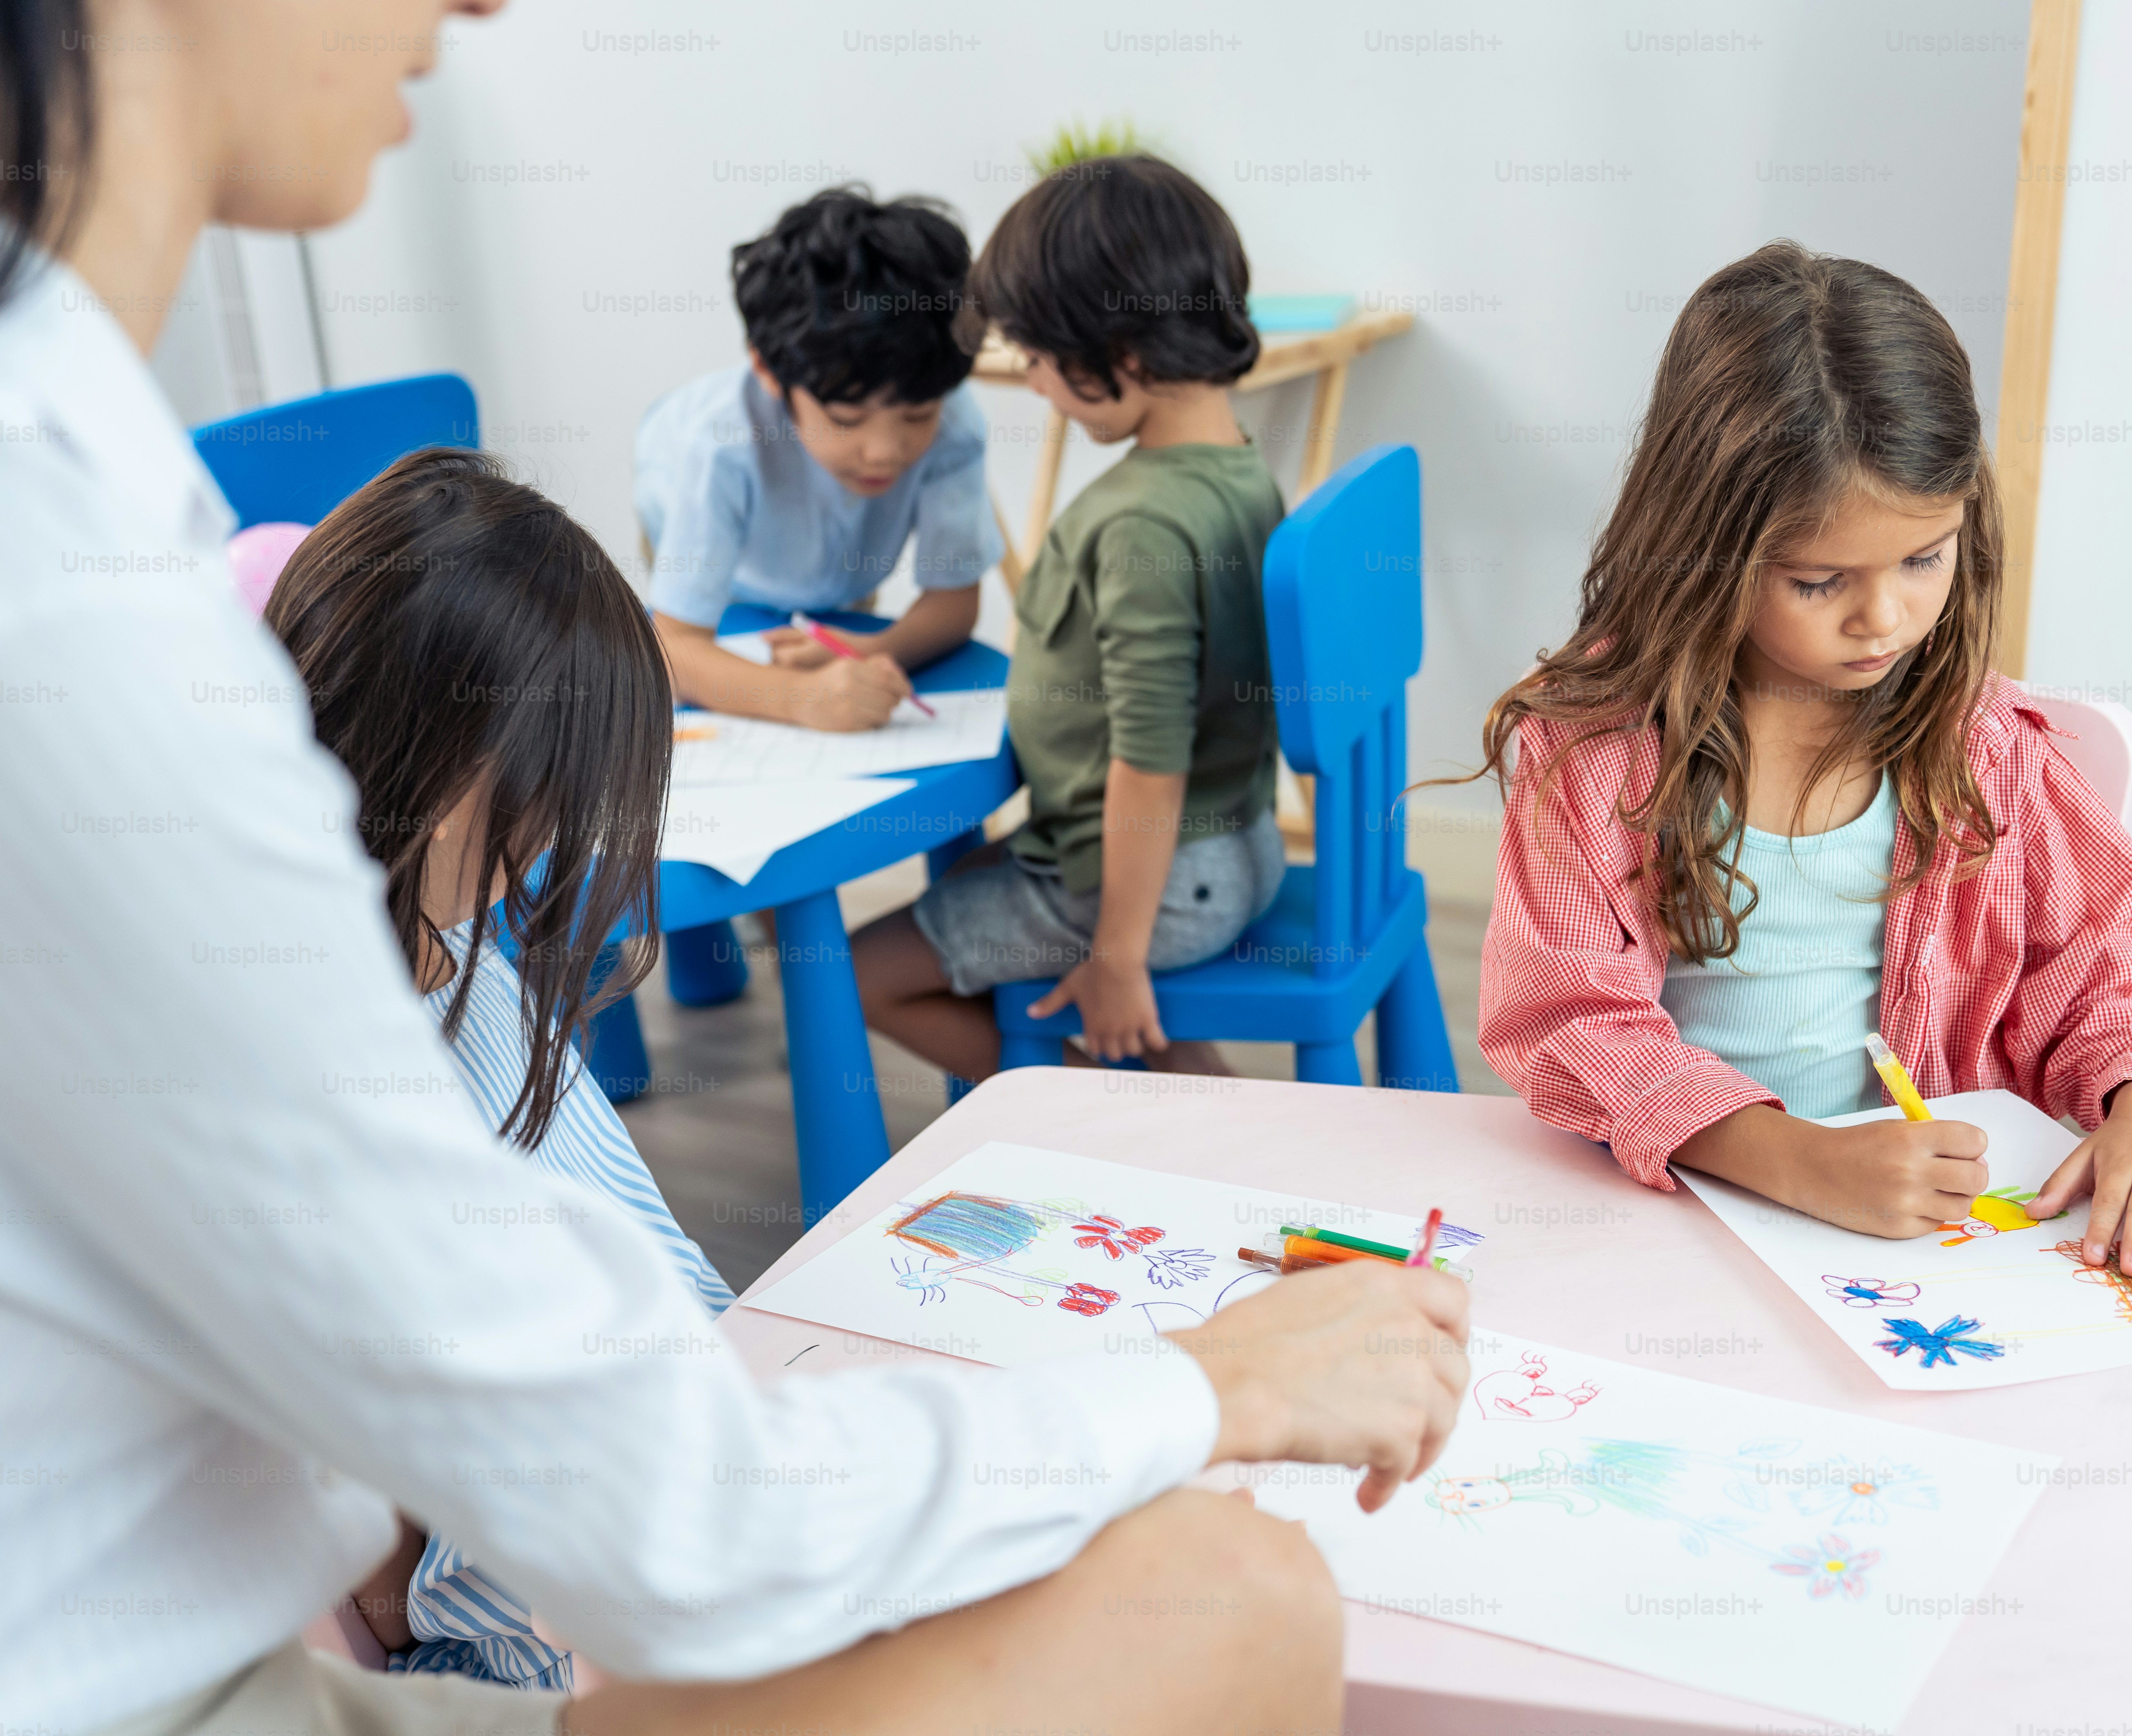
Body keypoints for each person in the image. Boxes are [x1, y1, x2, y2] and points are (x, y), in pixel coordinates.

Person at [0, 8, 1466, 1736]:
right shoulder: (81, 629)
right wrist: (1201, 1387)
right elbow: (665, 1522)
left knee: (1189, 1582)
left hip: (359, 1591)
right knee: (1223, 1600)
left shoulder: (105, 524)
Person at [1475, 242, 2132, 1278]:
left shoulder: (1984, 752)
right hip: (1671, 1206)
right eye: (1818, 579)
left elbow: (2121, 962)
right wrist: (1789, 1158)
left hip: (1912, 1237)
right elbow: (1564, 1015)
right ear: (1702, 542)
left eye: (1922, 560)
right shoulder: (1595, 756)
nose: (1882, 618)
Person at [264, 448, 737, 1685]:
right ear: (434, 757)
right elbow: (399, 1563)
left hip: (678, 1506)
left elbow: (651, 1264)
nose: (555, 834)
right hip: (567, 1649)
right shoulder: (306, 1088)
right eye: (548, 794)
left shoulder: (463, 951)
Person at [848, 155, 1284, 1077]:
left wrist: (1117, 957)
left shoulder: (1141, 522)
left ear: (1119, 356)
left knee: (853, 974)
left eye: (1041, 361)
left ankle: (1099, 1131)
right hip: (1235, 845)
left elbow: (1150, 760)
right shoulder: (1238, 468)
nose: (1037, 386)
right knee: (970, 892)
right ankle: (1206, 1120)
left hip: (1156, 887)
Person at [637, 186, 997, 732]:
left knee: (836, 624)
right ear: (769, 372)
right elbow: (674, 647)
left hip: (834, 569)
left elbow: (954, 602)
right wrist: (801, 698)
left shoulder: (955, 422)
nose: (885, 450)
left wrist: (876, 650)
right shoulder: (716, 447)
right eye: (848, 417)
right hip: (723, 558)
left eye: (918, 414)